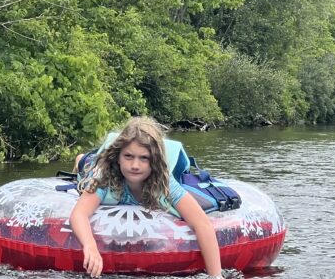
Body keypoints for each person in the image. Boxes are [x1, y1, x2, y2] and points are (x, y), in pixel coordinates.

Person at [69, 116, 223, 278]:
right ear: (118, 157)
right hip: (94, 167)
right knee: (86, 164)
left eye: (144, 158)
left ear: (154, 161)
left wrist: (216, 276)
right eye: (128, 156)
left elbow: (202, 224)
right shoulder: (105, 177)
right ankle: (81, 158)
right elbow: (79, 214)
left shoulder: (165, 184)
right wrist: (90, 245)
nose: (135, 165)